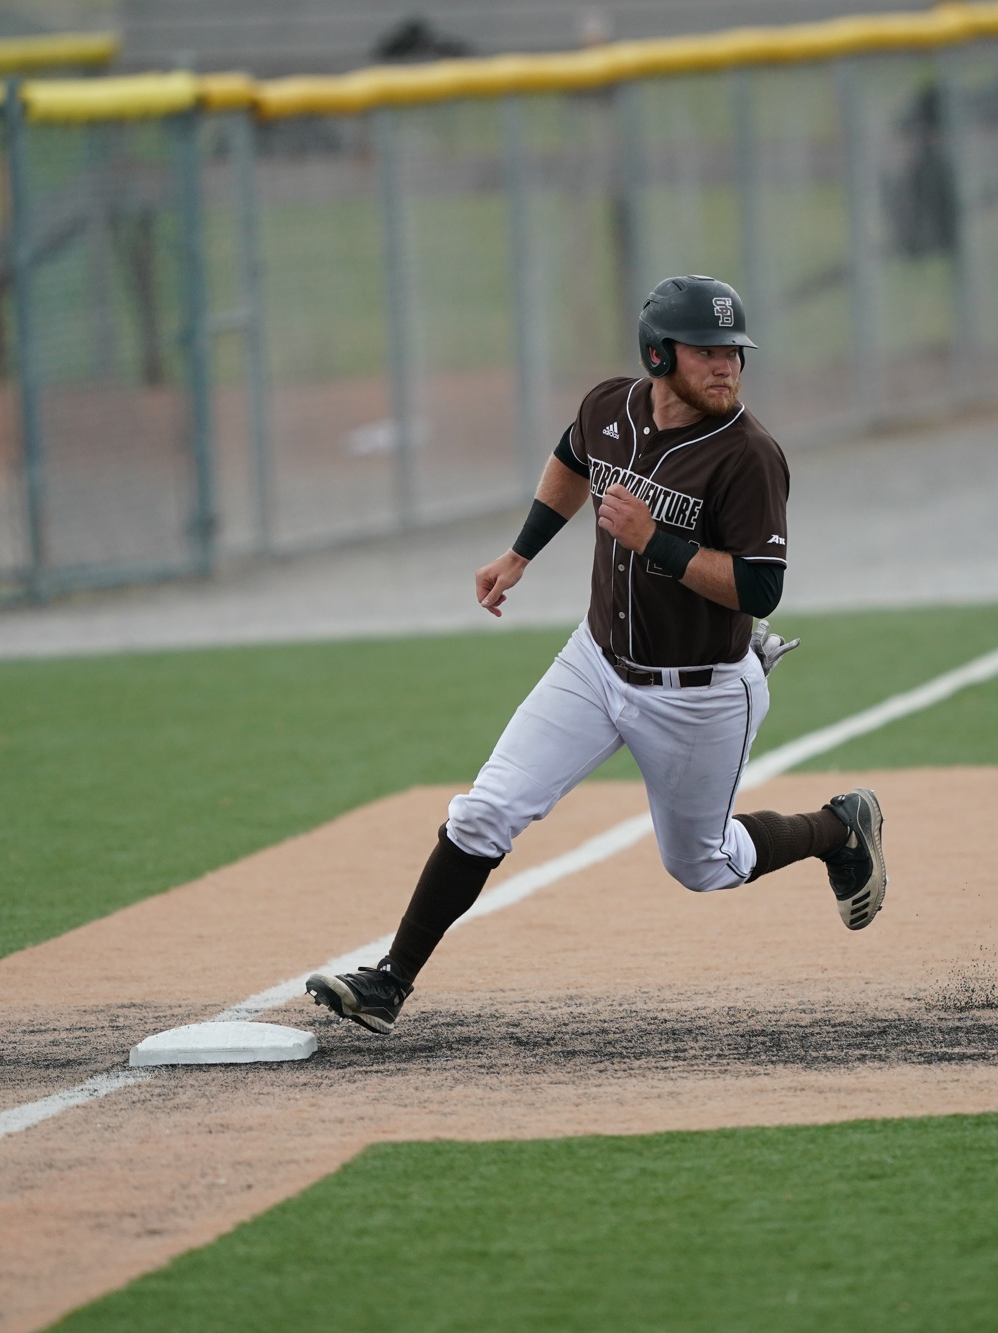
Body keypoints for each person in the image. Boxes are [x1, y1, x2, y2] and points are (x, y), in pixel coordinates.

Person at [306, 276, 888, 1034]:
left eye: (734, 353)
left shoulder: (748, 456)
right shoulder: (610, 407)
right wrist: (519, 555)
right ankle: (390, 981)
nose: (726, 368)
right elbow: (572, 459)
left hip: (700, 692)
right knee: (484, 811)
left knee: (702, 866)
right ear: (657, 353)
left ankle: (839, 828)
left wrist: (661, 543)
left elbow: (760, 587)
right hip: (596, 660)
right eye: (706, 352)